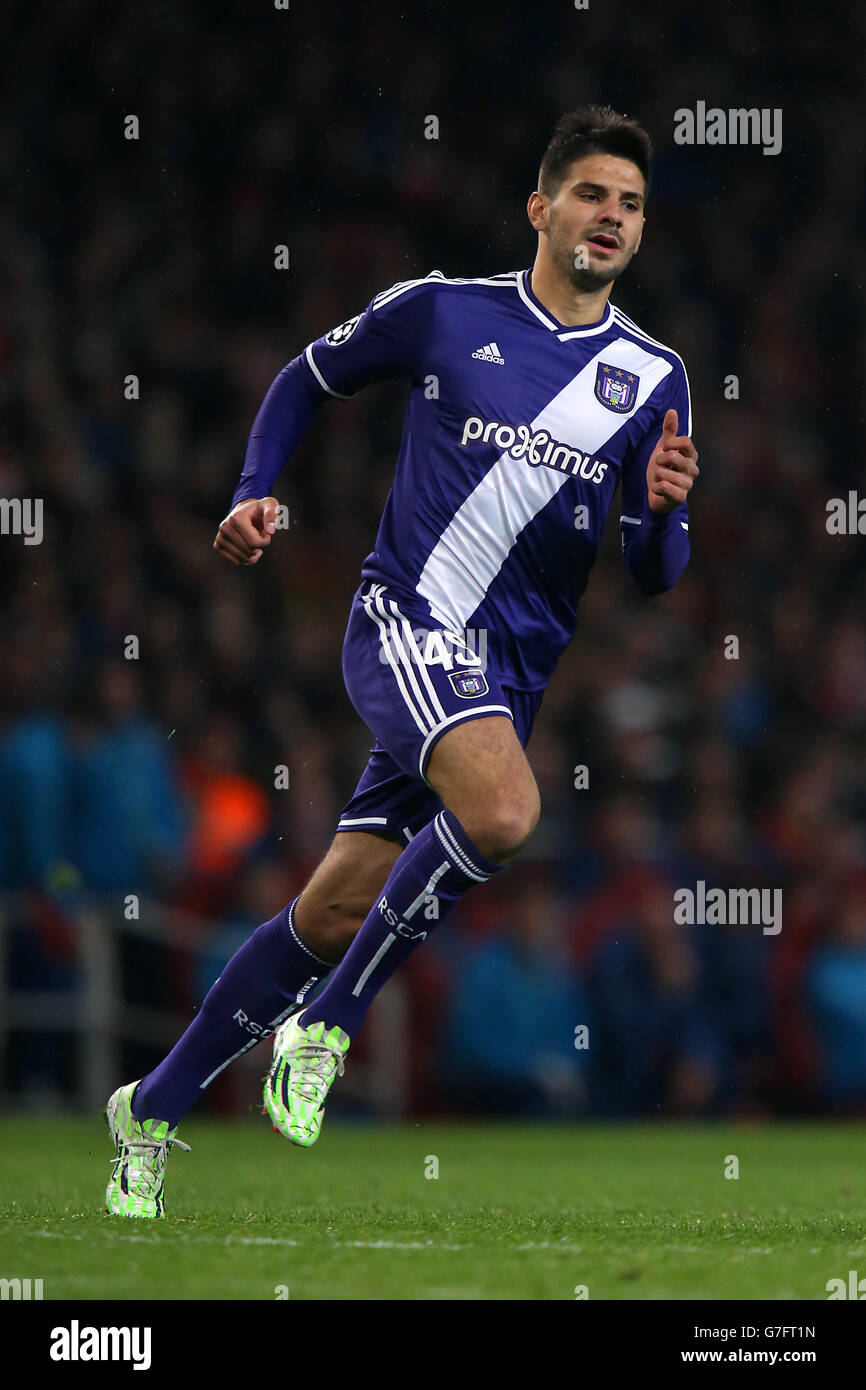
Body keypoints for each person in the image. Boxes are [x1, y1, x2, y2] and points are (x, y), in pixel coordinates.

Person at [105, 104, 699, 1218]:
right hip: (408, 616)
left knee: (332, 909)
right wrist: (252, 490)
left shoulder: (652, 372)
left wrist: (663, 515)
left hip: (507, 674)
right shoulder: (442, 311)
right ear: (540, 207)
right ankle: (326, 1027)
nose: (610, 216)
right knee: (508, 813)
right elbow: (302, 378)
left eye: (628, 203)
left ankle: (151, 1106)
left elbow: (654, 569)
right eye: (590, 195)